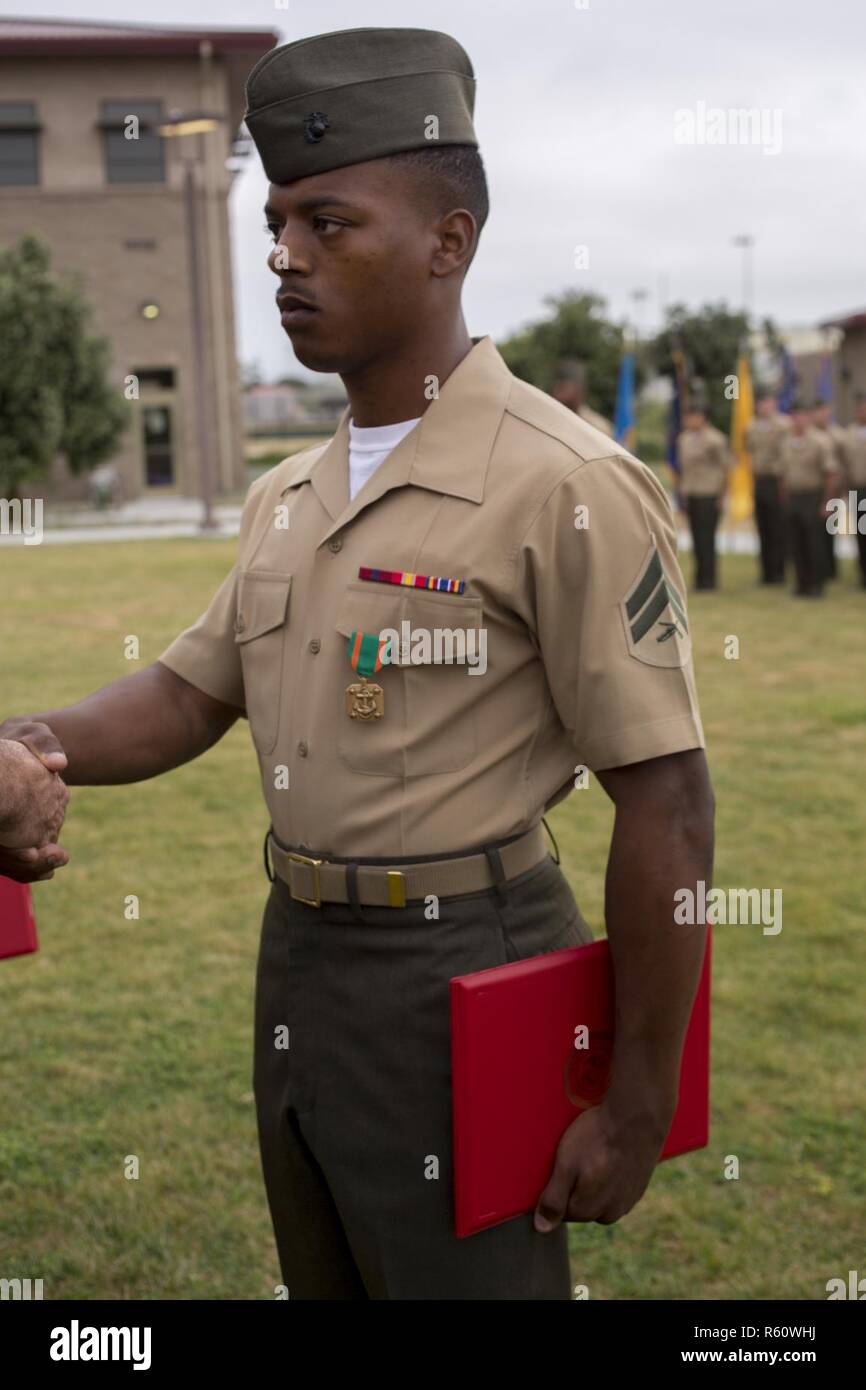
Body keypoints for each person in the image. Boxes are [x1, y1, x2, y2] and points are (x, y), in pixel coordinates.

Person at [0, 26, 714, 1301]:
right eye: (274, 223)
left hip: (465, 967)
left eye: (328, 223)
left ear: (448, 243)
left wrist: (637, 1092)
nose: (284, 255)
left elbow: (668, 802)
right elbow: (181, 695)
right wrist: (21, 748)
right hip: (302, 958)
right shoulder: (292, 489)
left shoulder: (565, 482)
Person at [778, 402, 835, 597]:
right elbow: (783, 472)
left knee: (814, 543)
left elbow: (829, 473)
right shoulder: (786, 441)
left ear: (809, 418)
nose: (798, 420)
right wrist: (784, 496)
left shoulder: (820, 441)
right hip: (794, 496)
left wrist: (827, 501)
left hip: (813, 496)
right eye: (794, 416)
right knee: (796, 543)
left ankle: (816, 585)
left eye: (802, 416)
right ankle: (801, 583)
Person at [676, 402, 732, 590]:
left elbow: (726, 469)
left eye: (693, 416)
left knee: (707, 538)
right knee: (696, 538)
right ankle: (699, 579)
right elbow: (683, 469)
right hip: (692, 493)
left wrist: (722, 496)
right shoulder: (684, 439)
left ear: (702, 418)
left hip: (710, 494)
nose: (689, 420)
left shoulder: (716, 440)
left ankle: (709, 580)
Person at [745, 392, 789, 583]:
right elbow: (749, 449)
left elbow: (786, 454)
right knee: (762, 528)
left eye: (768, 403)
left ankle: (779, 572)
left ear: (775, 403)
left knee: (777, 528)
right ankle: (766, 572)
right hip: (759, 480)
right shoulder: (751, 427)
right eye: (761, 403)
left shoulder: (784, 425)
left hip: (776, 479)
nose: (765, 407)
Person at [811, 402, 847, 580]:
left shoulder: (839, 435)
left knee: (829, 530)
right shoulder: (810, 435)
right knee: (814, 531)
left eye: (824, 411)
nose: (821, 415)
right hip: (814, 489)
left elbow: (844, 461)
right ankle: (818, 568)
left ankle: (831, 570)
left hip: (834, 489)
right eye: (817, 412)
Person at [550, 358, 614, 437]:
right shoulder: (547, 419)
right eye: (557, 385)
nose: (557, 391)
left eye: (563, 387)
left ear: (579, 389)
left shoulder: (598, 428)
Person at [843, 392, 866, 588]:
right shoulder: (849, 433)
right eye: (860, 408)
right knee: (861, 534)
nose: (863, 412)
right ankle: (863, 575)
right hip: (857, 491)